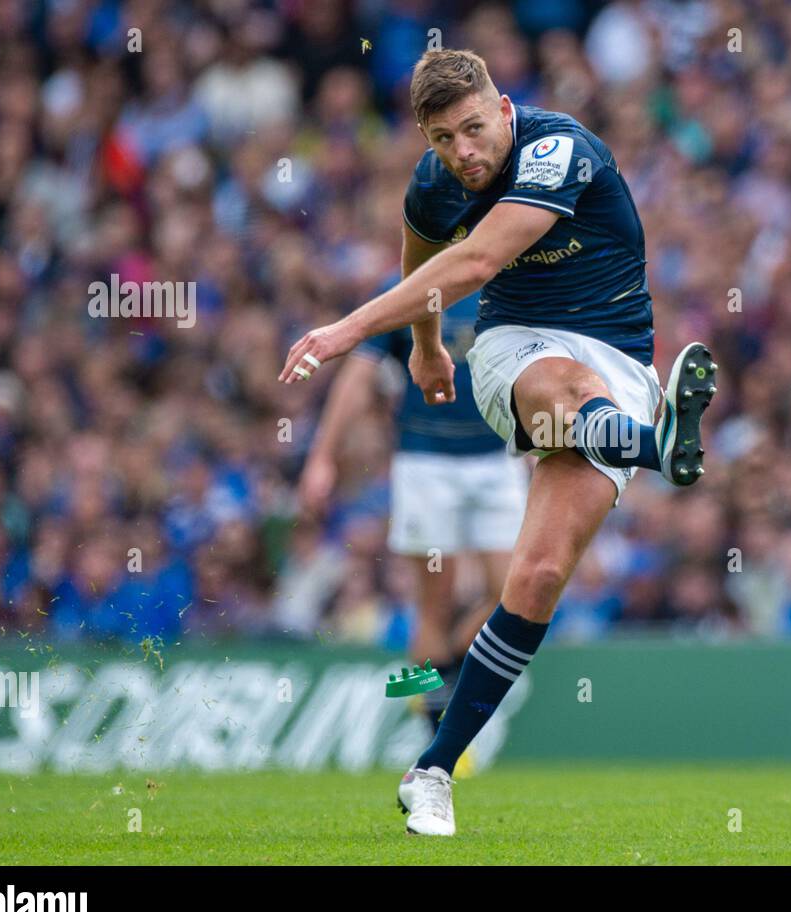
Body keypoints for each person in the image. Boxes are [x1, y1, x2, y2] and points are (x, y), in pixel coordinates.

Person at [280, 48, 717, 835]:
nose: (465, 152)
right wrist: (425, 346)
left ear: (504, 108)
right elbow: (427, 271)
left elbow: (477, 255)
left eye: (475, 129)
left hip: (618, 359)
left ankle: (433, 770)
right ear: (426, 136)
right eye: (444, 138)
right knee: (434, 592)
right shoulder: (433, 183)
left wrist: (347, 328)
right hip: (513, 347)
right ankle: (655, 446)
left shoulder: (559, 147)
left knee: (538, 574)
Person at [298, 286, 526, 744]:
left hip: (499, 458)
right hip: (426, 463)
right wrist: (322, 455)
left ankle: (447, 671)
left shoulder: (506, 281)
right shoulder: (404, 287)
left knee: (515, 595)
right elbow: (358, 376)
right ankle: (437, 744)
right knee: (433, 606)